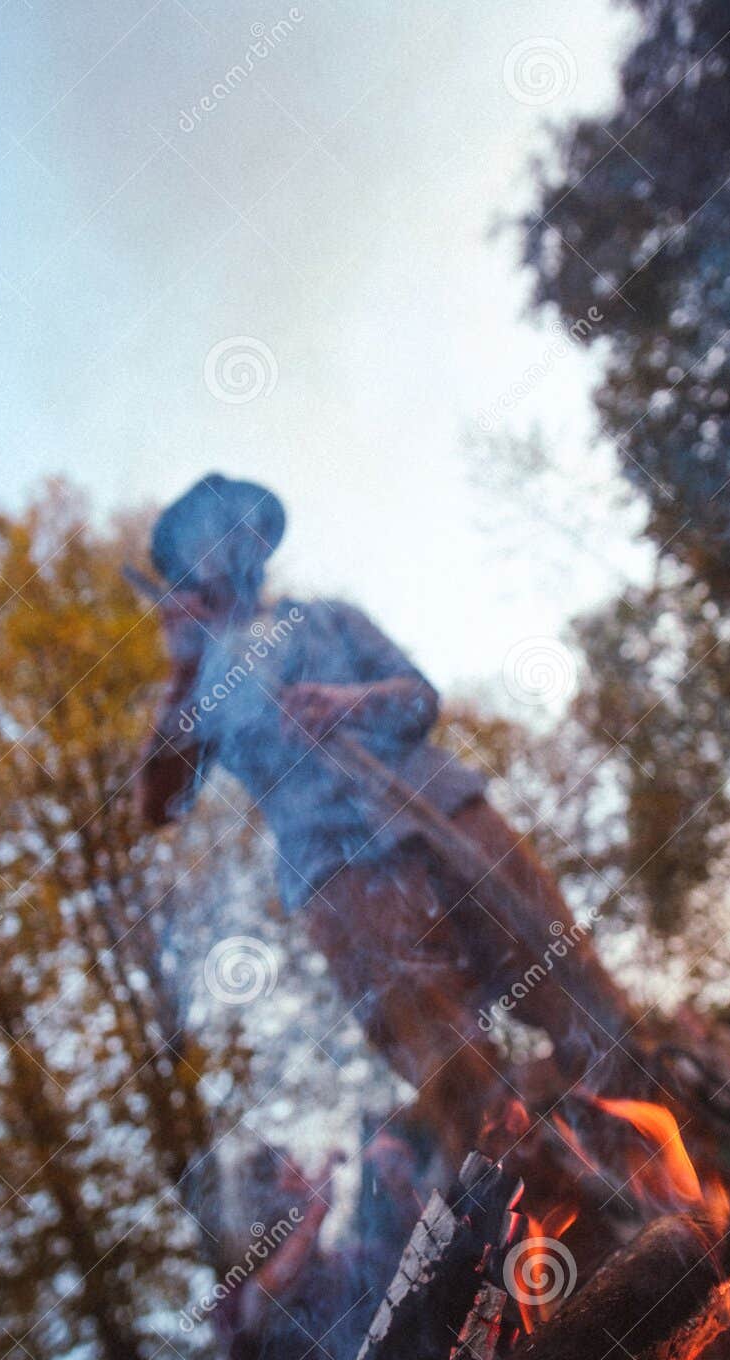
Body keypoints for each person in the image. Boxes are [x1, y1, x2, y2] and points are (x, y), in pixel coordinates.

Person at [137, 473, 637, 1165]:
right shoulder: (200, 683)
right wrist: (183, 671)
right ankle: (539, 1210)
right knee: (448, 1063)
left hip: (444, 811)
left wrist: (348, 703)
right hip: (336, 873)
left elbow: (417, 698)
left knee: (573, 990)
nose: (228, 547)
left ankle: (665, 1156)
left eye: (237, 529)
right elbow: (161, 803)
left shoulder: (328, 619)